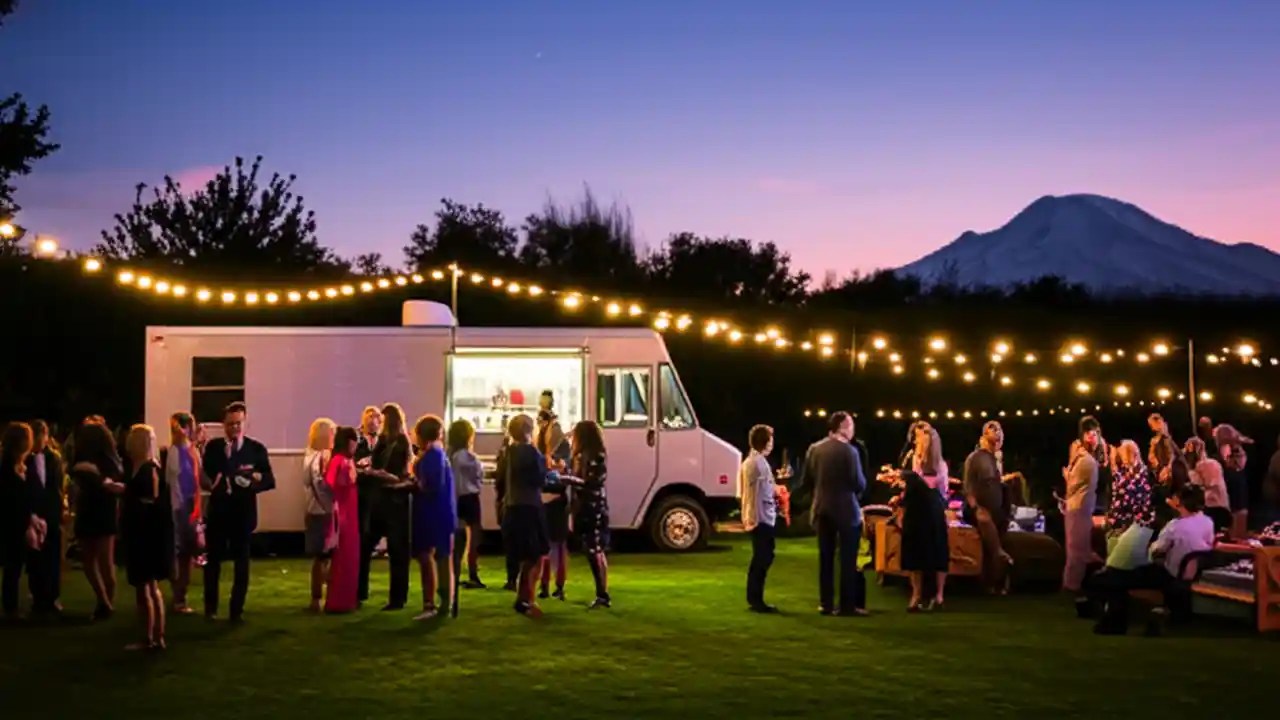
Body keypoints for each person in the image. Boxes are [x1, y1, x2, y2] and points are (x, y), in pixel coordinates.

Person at [1089, 485, 1215, 635]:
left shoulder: (1175, 526)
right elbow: (1208, 544)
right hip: (1192, 573)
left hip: (1170, 573)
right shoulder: (1208, 522)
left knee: (1117, 578)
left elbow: (1157, 549)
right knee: (1122, 576)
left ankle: (1115, 622)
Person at [201, 401, 275, 622]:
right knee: (213, 562)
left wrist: (254, 482)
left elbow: (270, 480)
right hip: (218, 513)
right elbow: (205, 476)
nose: (234, 428)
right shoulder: (214, 448)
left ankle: (236, 610)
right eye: (230, 424)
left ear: (245, 423)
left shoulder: (256, 449)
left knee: (242, 563)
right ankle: (210, 608)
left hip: (243, 514)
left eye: (238, 423)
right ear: (224, 424)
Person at [801, 411, 868, 617]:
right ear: (842, 427)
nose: (853, 429)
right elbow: (858, 483)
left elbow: (807, 481)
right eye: (851, 425)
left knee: (825, 558)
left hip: (821, 509)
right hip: (846, 511)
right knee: (847, 560)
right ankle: (847, 605)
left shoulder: (814, 449)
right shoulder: (850, 452)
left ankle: (825, 603)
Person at [121, 424, 172, 650]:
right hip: (142, 534)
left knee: (147, 588)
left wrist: (126, 494)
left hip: (146, 536)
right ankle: (154, 637)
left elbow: (150, 500)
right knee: (147, 588)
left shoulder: (149, 469)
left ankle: (151, 637)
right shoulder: (142, 467)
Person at [69, 420, 125, 620]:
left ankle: (104, 602)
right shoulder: (111, 462)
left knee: (90, 560)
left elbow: (81, 483)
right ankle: (106, 601)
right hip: (105, 511)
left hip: (89, 511)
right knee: (104, 561)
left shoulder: (82, 464)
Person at [502, 414, 554, 618]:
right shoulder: (530, 453)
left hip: (512, 506)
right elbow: (540, 479)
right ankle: (526, 599)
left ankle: (524, 598)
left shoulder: (509, 451)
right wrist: (553, 471)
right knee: (534, 556)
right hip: (529, 507)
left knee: (525, 556)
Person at [366, 403, 414, 611]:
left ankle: (397, 598)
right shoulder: (385, 442)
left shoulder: (399, 442)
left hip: (393, 499)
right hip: (385, 499)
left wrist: (382, 475)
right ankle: (365, 592)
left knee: (397, 550)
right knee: (369, 544)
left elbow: (401, 472)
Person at [410, 415, 457, 620]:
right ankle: (444, 601)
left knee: (428, 555)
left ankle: (433, 603)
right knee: (440, 556)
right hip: (442, 511)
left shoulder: (432, 456)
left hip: (431, 511)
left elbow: (429, 486)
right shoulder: (439, 454)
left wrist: (410, 484)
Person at [902, 425, 949, 612]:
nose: (916, 441)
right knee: (913, 551)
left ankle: (939, 596)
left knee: (937, 551)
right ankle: (916, 594)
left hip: (932, 510)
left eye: (920, 438)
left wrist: (916, 478)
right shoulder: (910, 459)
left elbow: (937, 489)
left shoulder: (939, 465)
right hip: (914, 509)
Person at [963, 421, 1013, 594]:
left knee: (996, 538)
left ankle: (994, 581)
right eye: (992, 429)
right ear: (983, 436)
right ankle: (997, 561)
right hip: (978, 509)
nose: (997, 432)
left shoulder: (997, 459)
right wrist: (976, 507)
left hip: (998, 510)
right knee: (987, 527)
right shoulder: (976, 458)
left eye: (1000, 429)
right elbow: (968, 486)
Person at [566, 420, 611, 609]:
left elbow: (591, 481)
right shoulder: (583, 456)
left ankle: (603, 594)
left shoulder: (595, 456)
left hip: (592, 506)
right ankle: (602, 593)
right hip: (587, 505)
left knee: (594, 549)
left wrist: (568, 479)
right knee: (592, 549)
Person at [160, 412, 201, 614]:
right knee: (181, 554)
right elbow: (173, 483)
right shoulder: (175, 452)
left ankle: (180, 597)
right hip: (180, 508)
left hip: (190, 507)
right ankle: (179, 598)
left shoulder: (190, 451)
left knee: (187, 554)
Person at [25, 420, 66, 617]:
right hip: (33, 515)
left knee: (53, 558)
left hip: (51, 515)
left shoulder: (54, 458)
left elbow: (57, 488)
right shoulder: (25, 460)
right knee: (35, 560)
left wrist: (57, 513)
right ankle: (38, 597)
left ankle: (52, 597)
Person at [2, 422, 40, 620]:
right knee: (12, 566)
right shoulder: (6, 468)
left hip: (20, 522)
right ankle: (10, 608)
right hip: (11, 523)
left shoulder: (23, 465)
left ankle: (14, 605)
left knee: (15, 567)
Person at [739, 424, 778, 614]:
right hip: (761, 517)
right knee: (763, 557)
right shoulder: (757, 463)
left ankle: (755, 597)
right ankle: (756, 598)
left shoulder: (752, 461)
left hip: (758, 516)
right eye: (770, 439)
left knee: (764, 556)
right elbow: (756, 493)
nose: (772, 443)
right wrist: (752, 518)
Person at [1063, 418, 1101, 597]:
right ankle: (1071, 587)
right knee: (1077, 551)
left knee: (1080, 549)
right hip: (1079, 507)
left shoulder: (1082, 456)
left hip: (1081, 506)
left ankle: (1073, 585)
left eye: (1095, 434)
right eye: (1090, 434)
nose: (1093, 438)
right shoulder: (1086, 460)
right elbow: (1073, 485)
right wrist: (1069, 476)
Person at [324, 426, 361, 614]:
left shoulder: (347, 460)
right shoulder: (340, 460)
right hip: (344, 513)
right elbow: (331, 482)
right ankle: (339, 601)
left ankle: (347, 599)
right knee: (343, 557)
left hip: (350, 512)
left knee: (350, 557)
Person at [536, 403, 571, 601]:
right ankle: (548, 585)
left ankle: (554, 585)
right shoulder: (545, 442)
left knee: (554, 545)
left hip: (554, 499)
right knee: (551, 545)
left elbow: (562, 470)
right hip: (551, 498)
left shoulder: (558, 443)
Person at [302, 418, 336, 612]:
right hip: (324, 511)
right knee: (326, 556)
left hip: (312, 509)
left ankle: (316, 598)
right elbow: (324, 484)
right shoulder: (323, 456)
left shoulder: (309, 455)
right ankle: (322, 598)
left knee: (319, 557)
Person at [448, 419, 485, 589]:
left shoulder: (451, 456)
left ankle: (454, 571)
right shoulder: (471, 457)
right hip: (470, 498)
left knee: (458, 537)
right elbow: (479, 475)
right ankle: (472, 572)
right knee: (473, 537)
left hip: (456, 498)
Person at [354, 406, 381, 604]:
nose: (372, 421)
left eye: (376, 417)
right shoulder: (357, 440)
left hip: (380, 496)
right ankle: (359, 589)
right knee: (363, 543)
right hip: (362, 496)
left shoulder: (383, 442)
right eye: (369, 417)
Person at [1106, 440, 1155, 544]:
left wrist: (1113, 466)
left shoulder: (1141, 471)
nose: (1122, 459)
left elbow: (1123, 492)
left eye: (1123, 455)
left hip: (1138, 521)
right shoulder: (1126, 470)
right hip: (1126, 518)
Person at [1184, 437, 1230, 531]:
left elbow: (1203, 486)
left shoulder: (1203, 466)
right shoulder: (1213, 463)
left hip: (1212, 510)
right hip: (1221, 508)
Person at [493, 435, 519, 591]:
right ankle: (517, 578)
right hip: (516, 502)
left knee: (510, 544)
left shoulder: (505, 456)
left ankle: (512, 579)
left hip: (506, 502)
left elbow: (500, 480)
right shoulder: (525, 454)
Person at [1215, 425, 1250, 538]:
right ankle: (1237, 536)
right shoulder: (1233, 447)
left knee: (1238, 509)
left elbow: (1233, 462)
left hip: (1234, 479)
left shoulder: (1231, 447)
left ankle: (1237, 536)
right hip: (1236, 479)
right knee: (1239, 509)